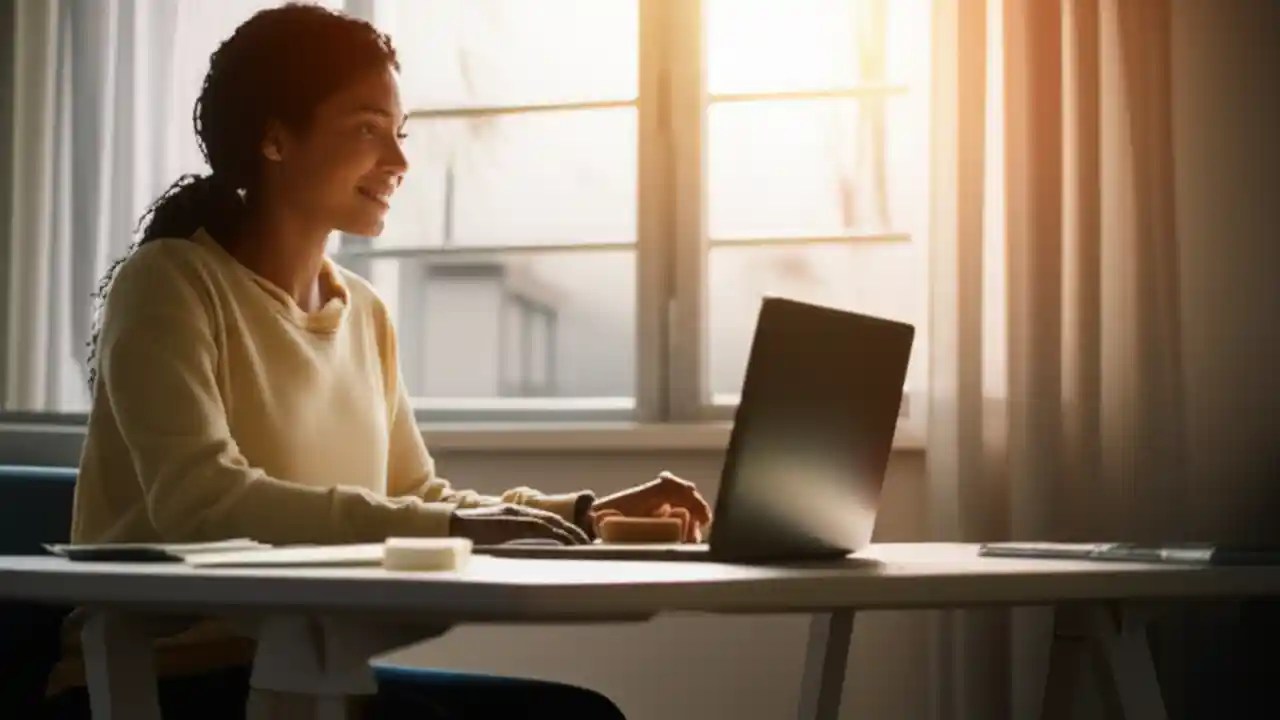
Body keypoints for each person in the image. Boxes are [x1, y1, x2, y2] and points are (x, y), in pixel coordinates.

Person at [40, 4, 710, 718]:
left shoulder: (364, 312)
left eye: (400, 133)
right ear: (274, 138)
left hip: (314, 669)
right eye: (368, 129)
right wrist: (459, 529)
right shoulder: (170, 282)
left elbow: (417, 497)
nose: (398, 161)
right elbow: (201, 503)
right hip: (172, 679)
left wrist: (580, 516)